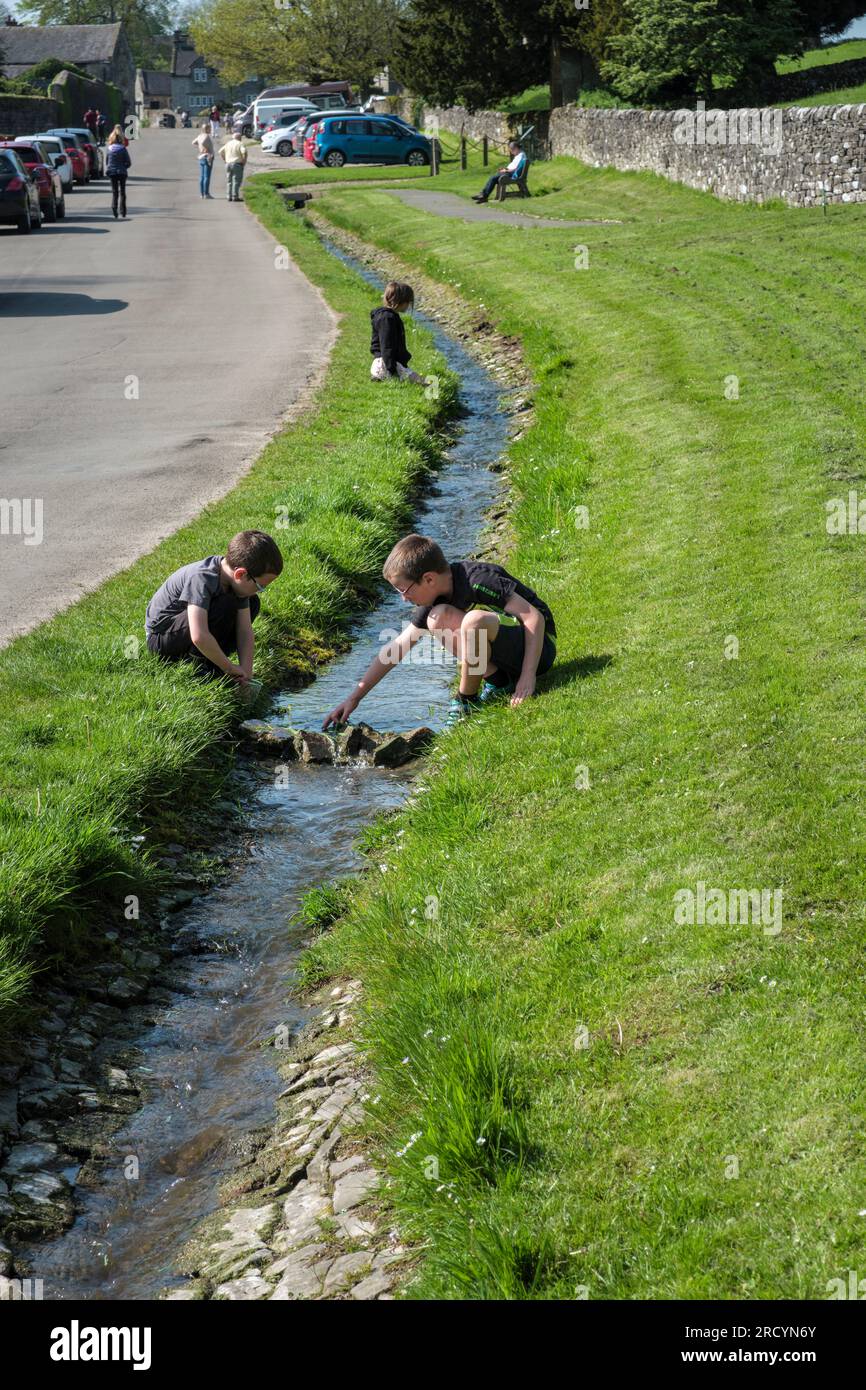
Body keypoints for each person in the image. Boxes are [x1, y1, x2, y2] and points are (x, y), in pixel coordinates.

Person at [322, 533, 557, 731]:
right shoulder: (433, 601)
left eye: (404, 590)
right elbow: (396, 649)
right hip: (507, 656)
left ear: (429, 578)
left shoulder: (478, 579)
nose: (403, 598)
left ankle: (466, 701)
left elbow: (533, 617)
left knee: (473, 620)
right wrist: (353, 699)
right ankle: (498, 681)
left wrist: (528, 677)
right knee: (438, 618)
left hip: (538, 650)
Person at [145, 530, 282, 684]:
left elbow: (244, 631)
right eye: (260, 586)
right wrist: (229, 668)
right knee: (225, 605)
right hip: (161, 639)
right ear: (240, 575)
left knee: (252, 603)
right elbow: (199, 635)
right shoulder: (202, 578)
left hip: (189, 634)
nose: (261, 591)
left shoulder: (236, 585)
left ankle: (211, 662)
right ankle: (200, 667)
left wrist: (246, 673)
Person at [370, 281, 428, 385]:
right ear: (401, 301)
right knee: (429, 383)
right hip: (384, 365)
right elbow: (387, 346)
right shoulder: (387, 319)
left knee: (425, 381)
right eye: (409, 302)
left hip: (391, 363)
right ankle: (383, 378)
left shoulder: (390, 316)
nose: (409, 305)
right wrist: (392, 370)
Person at [105, 126, 131, 219]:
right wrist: (124, 167)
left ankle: (114, 207)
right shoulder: (123, 149)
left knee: (114, 191)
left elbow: (107, 162)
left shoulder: (109, 149)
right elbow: (128, 162)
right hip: (122, 172)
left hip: (112, 172)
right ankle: (123, 211)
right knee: (122, 192)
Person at [218, 129, 247, 201]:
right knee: (236, 181)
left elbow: (220, 151)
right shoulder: (240, 143)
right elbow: (244, 152)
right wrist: (244, 161)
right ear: (239, 138)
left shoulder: (228, 143)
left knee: (229, 181)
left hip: (228, 164)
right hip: (236, 164)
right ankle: (235, 196)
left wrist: (224, 160)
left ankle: (229, 196)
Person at [193, 121, 214, 198]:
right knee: (206, 176)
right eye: (210, 128)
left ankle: (202, 194)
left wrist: (200, 148)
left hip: (201, 156)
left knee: (202, 176)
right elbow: (204, 143)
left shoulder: (200, 135)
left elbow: (193, 142)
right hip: (207, 156)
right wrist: (205, 148)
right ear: (207, 129)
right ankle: (206, 194)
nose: (211, 129)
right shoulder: (206, 136)